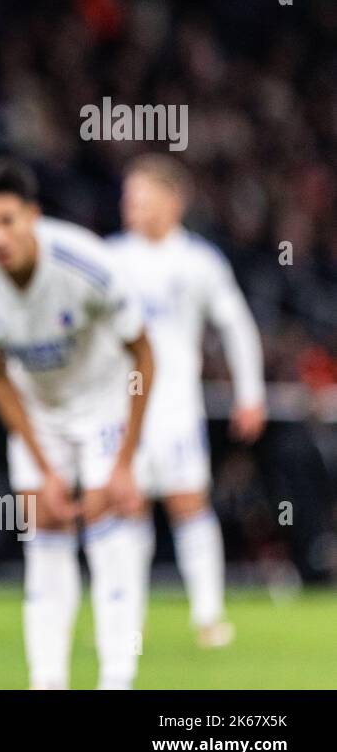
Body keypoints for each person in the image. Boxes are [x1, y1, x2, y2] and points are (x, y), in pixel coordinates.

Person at [0, 159, 154, 689]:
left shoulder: (88, 265)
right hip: (39, 411)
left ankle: (117, 678)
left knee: (110, 542)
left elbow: (144, 356)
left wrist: (124, 463)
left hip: (103, 402)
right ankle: (48, 680)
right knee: (45, 537)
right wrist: (43, 463)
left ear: (32, 215)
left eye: (8, 220)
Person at [109, 155, 266, 648]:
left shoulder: (199, 262)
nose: (131, 206)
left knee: (189, 504)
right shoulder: (110, 256)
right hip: (120, 405)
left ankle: (208, 616)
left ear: (172, 202)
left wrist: (250, 394)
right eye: (128, 197)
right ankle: (126, 622)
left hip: (176, 405)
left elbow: (236, 325)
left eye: (142, 198)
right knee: (126, 507)